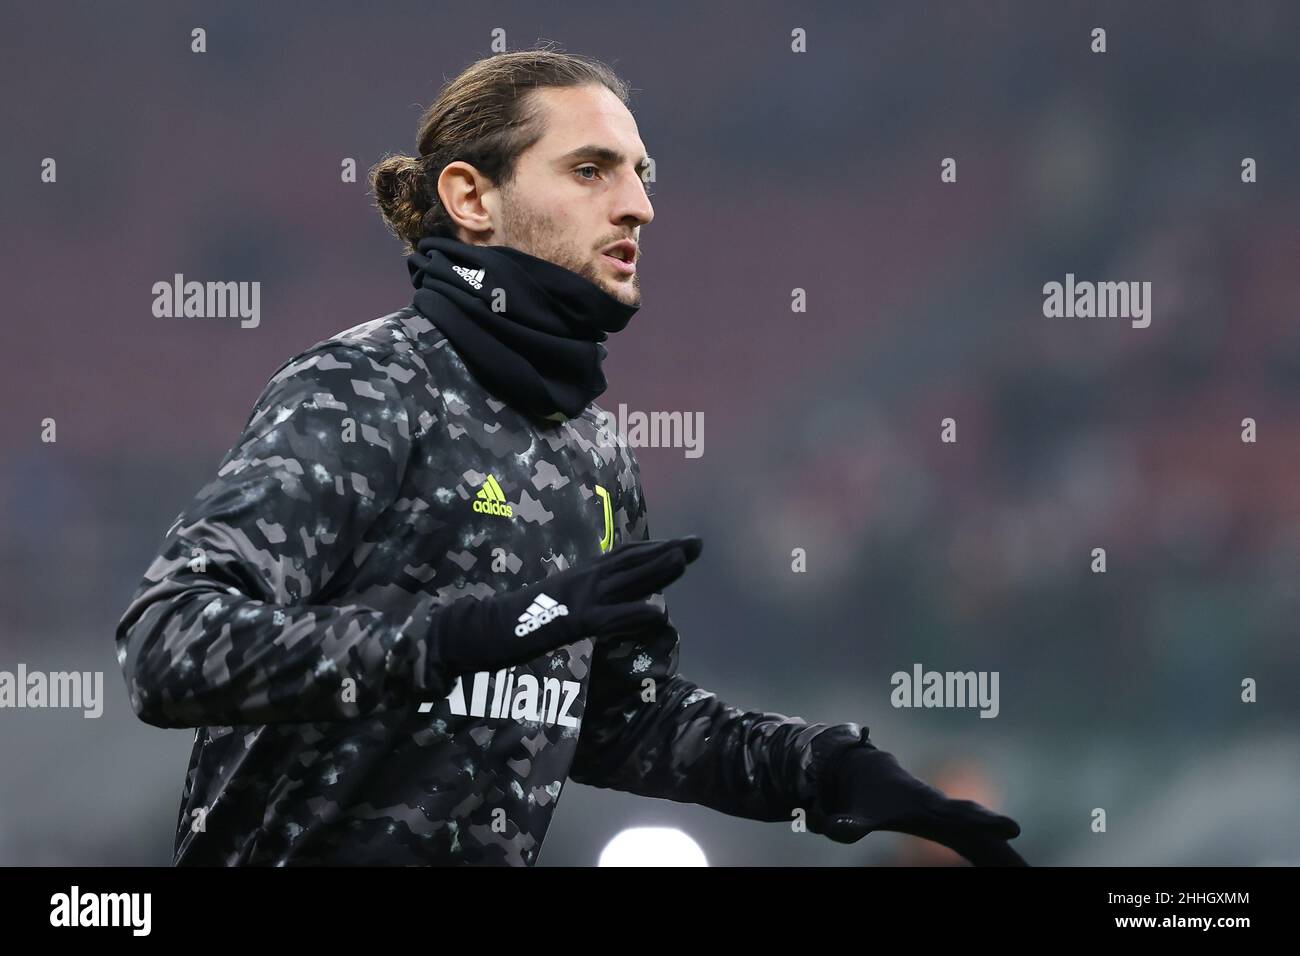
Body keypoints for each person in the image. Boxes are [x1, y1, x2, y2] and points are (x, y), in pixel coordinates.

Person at [115, 47, 1025, 867]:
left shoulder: (592, 451)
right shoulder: (368, 387)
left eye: (639, 172)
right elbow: (168, 645)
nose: (639, 203)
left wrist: (823, 769)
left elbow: (617, 720)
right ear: (473, 198)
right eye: (590, 170)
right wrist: (469, 636)